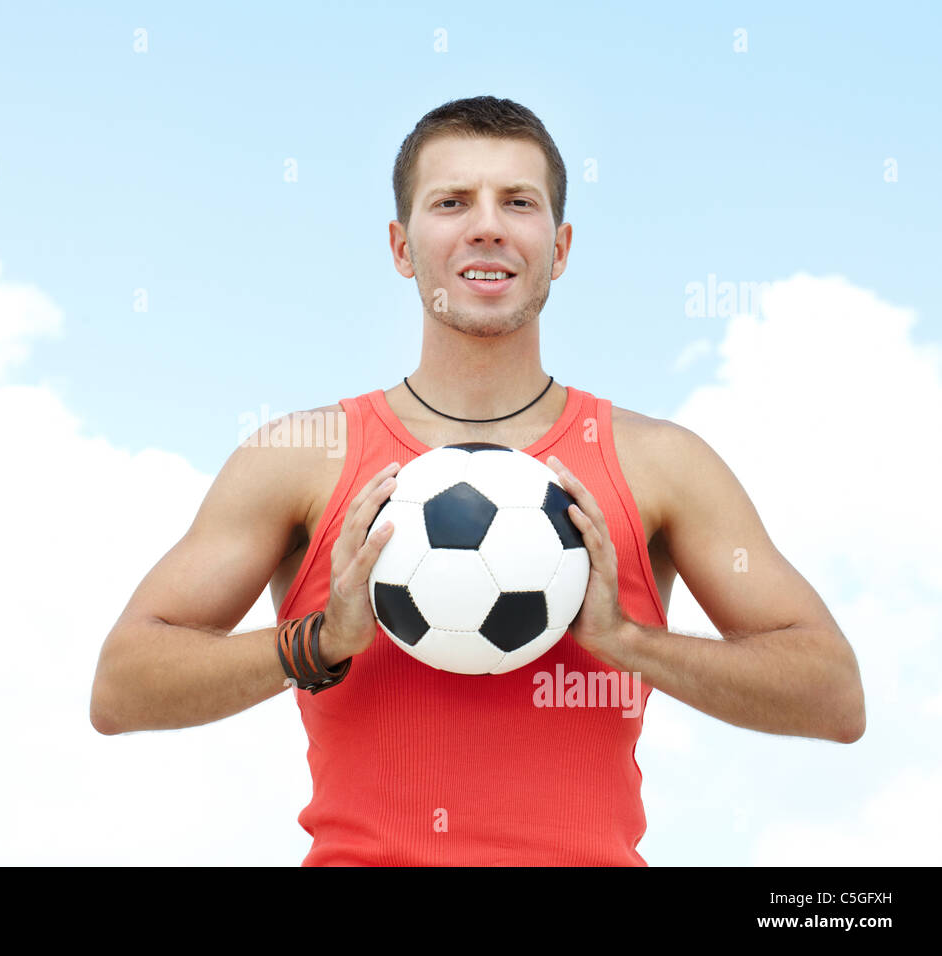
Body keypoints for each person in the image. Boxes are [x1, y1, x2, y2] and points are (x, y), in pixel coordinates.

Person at [88, 95, 866, 866]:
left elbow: (833, 697)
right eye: (452, 201)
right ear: (402, 247)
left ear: (560, 248)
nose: (486, 225)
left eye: (518, 202)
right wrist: (322, 640)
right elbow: (122, 688)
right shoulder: (301, 458)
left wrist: (628, 643)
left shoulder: (659, 462)